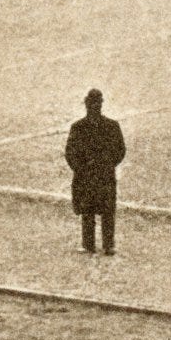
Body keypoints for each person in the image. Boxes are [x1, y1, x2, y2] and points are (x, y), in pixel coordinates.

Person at [64, 89, 125, 256]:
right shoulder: (105, 126)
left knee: (101, 212)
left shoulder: (82, 127)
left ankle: (102, 244)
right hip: (95, 175)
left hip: (97, 175)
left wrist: (104, 165)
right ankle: (97, 244)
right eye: (93, 104)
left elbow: (120, 150)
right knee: (92, 211)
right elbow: (70, 153)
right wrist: (83, 168)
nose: (94, 107)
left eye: (96, 104)